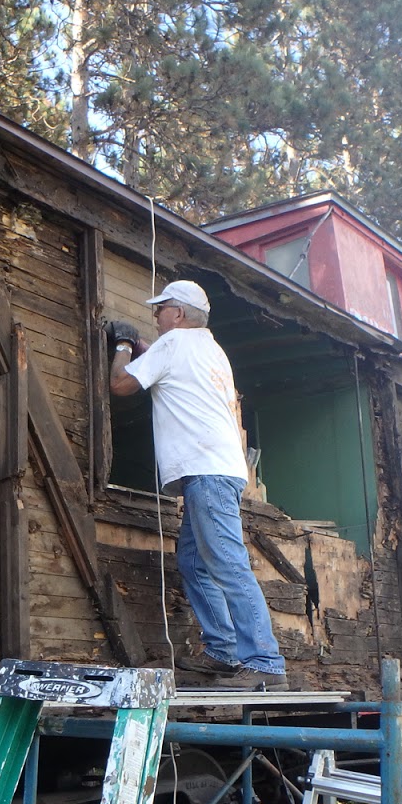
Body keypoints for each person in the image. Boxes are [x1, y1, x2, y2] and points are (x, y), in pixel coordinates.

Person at [109, 280, 287, 686]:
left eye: (160, 310)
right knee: (193, 561)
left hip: (207, 472)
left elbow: (120, 385)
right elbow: (167, 363)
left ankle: (264, 661)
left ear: (178, 314)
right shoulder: (210, 349)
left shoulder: (174, 344)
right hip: (216, 471)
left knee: (227, 562)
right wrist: (144, 349)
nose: (155, 316)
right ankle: (222, 650)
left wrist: (122, 345)